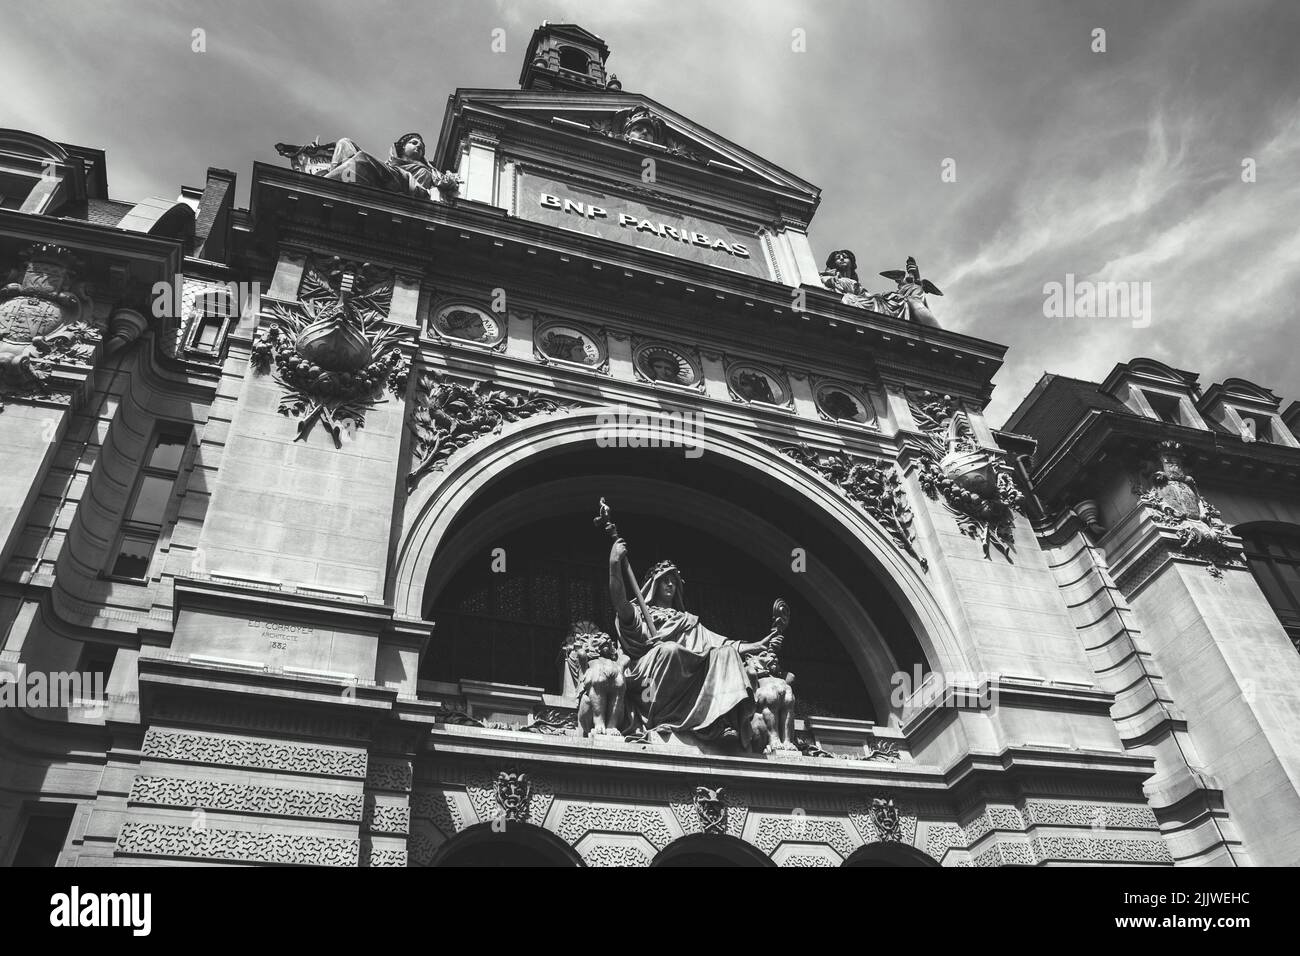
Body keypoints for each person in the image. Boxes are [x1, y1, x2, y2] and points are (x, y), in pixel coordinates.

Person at [607, 540, 781, 740]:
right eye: (665, 580)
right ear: (653, 585)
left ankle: (725, 721)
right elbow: (620, 603)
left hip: (686, 677)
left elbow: (724, 643)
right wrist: (614, 564)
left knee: (726, 653)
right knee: (670, 650)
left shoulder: (686, 620)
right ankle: (662, 717)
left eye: (674, 581)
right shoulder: (639, 614)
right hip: (648, 679)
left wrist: (759, 645)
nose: (670, 584)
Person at [324, 133, 458, 201]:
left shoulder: (427, 170)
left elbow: (438, 185)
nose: (418, 147)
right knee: (344, 143)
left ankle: (332, 185)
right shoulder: (388, 164)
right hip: (387, 176)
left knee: (361, 159)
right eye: (414, 143)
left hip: (404, 184)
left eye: (421, 148)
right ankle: (336, 182)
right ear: (402, 147)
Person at [820, 250, 893, 312]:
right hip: (842, 303)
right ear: (834, 264)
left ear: (851, 263)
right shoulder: (830, 277)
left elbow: (866, 295)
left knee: (882, 301)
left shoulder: (854, 283)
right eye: (838, 258)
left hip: (859, 303)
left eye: (845, 257)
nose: (842, 259)